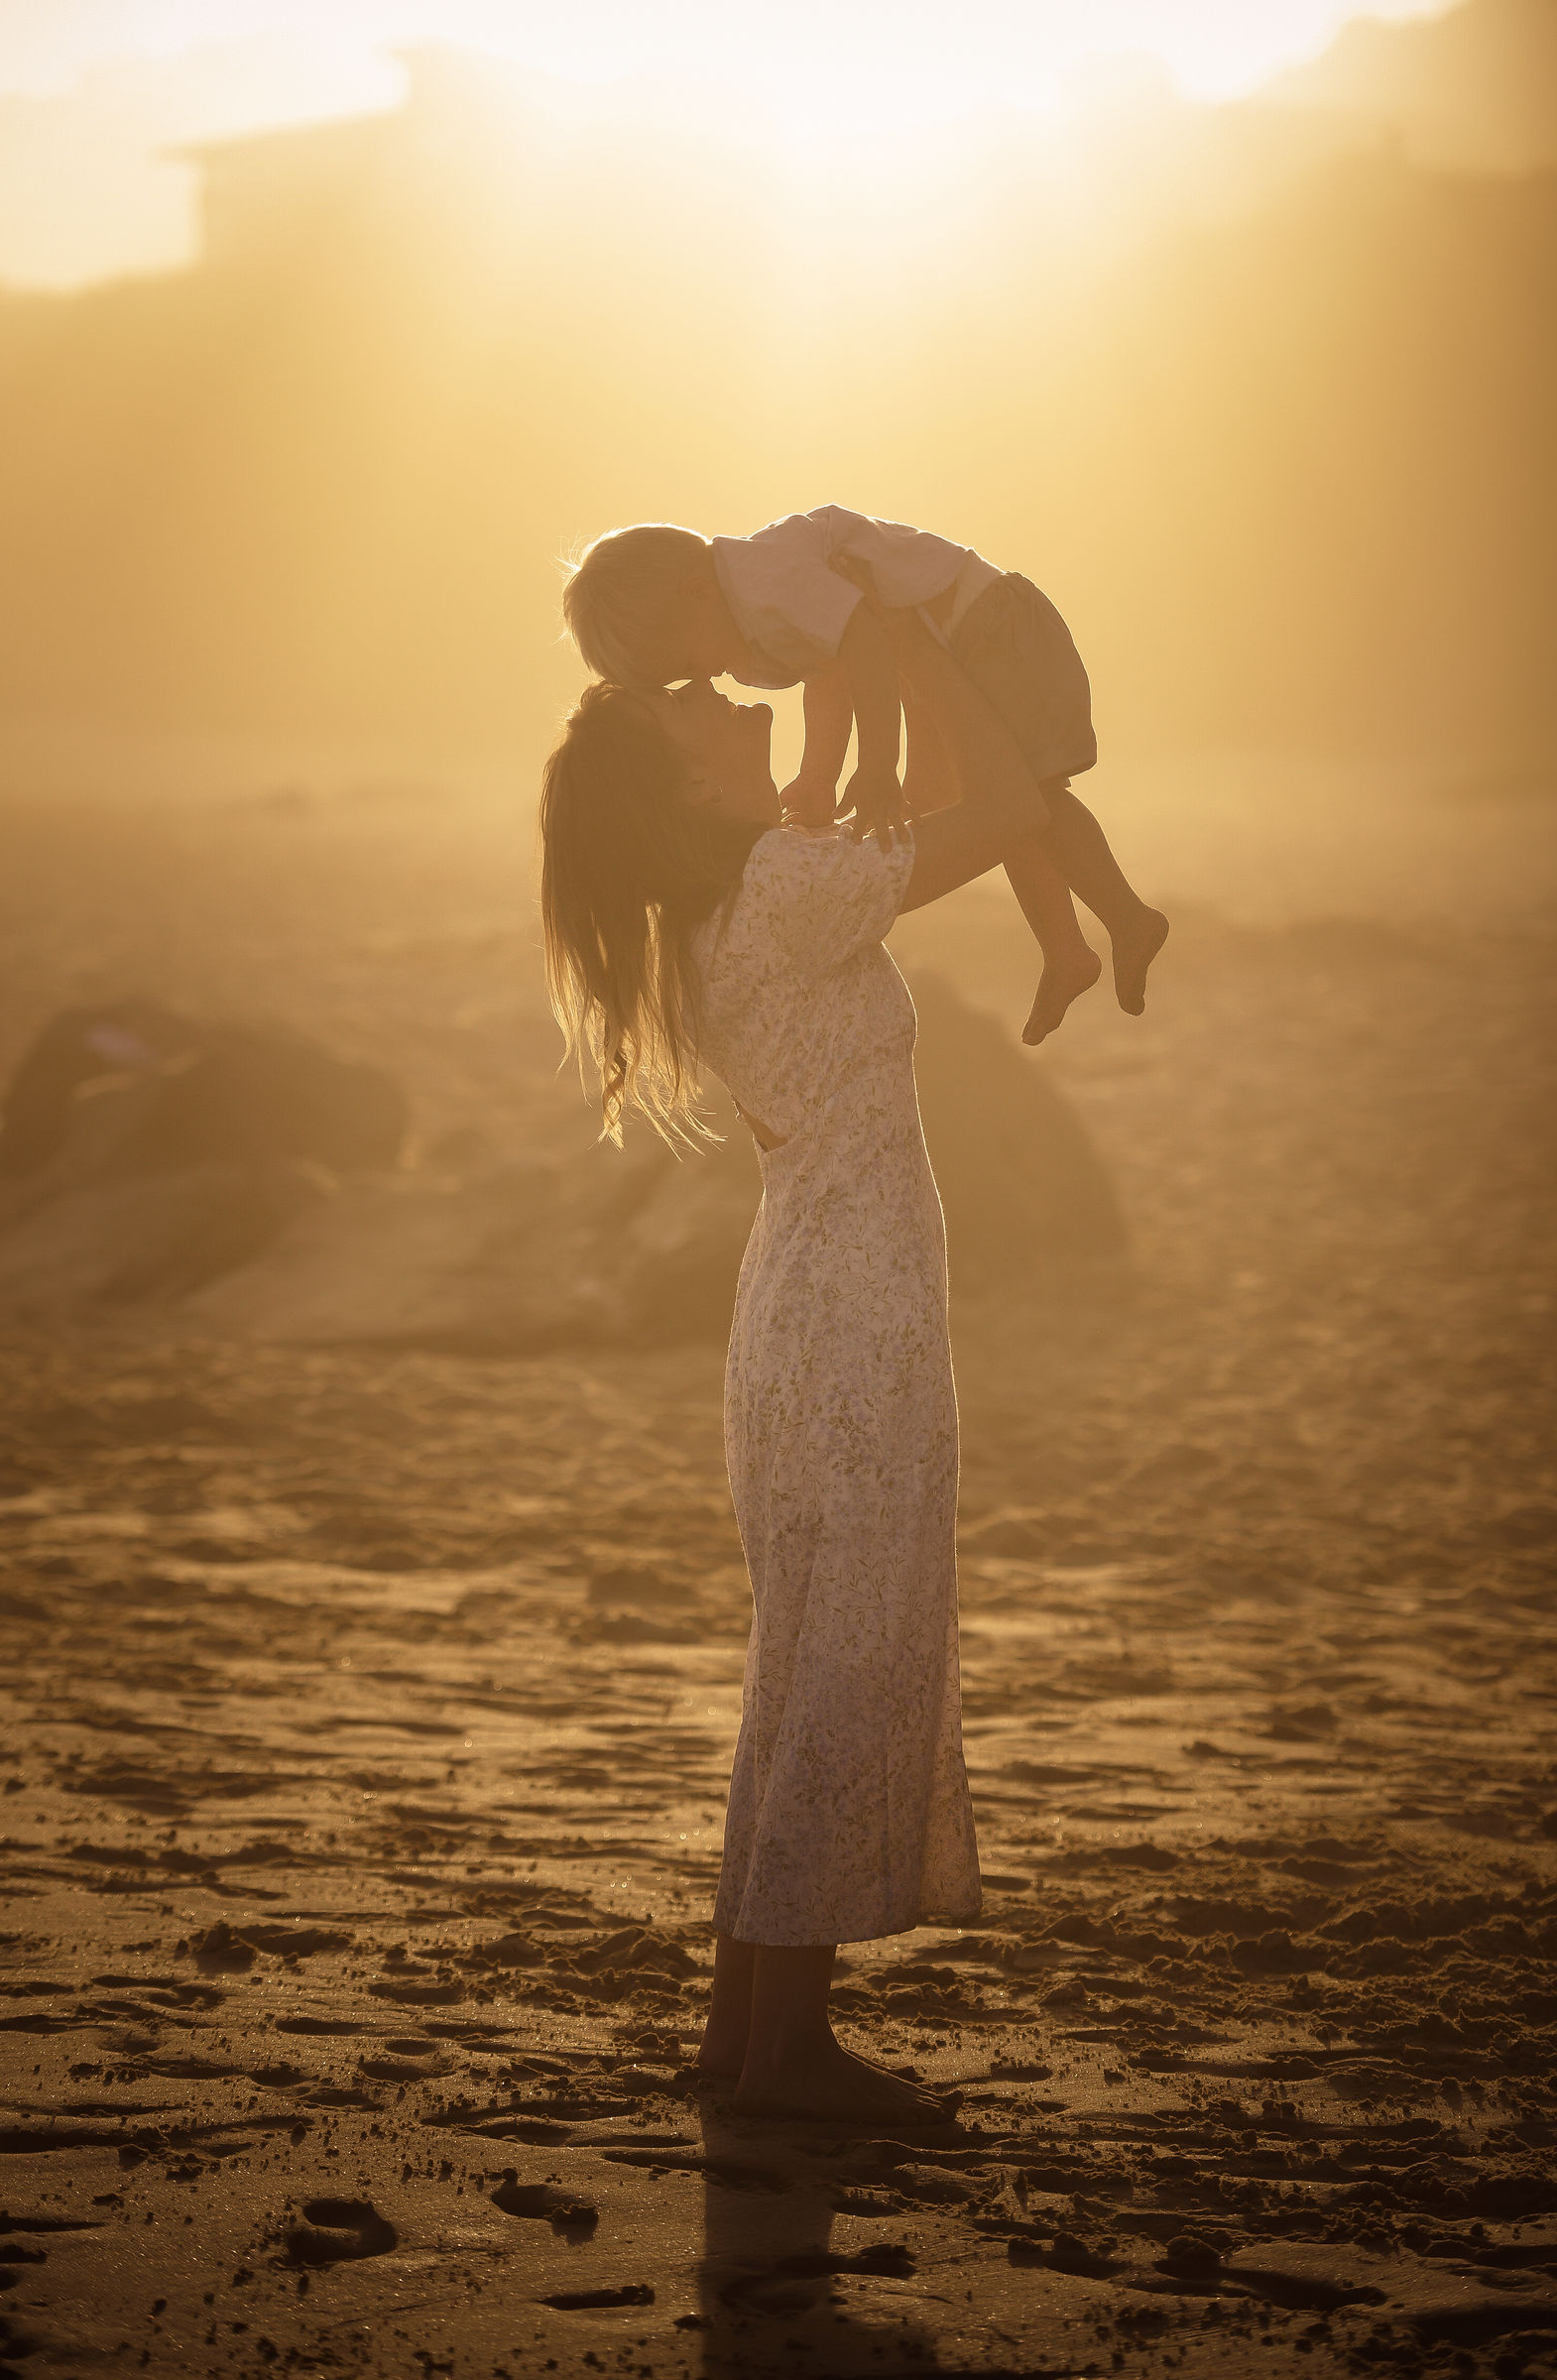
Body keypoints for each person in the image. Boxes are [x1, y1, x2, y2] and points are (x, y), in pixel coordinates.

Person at [539, 604, 1054, 2122]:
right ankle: (791, 2058)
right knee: (841, 1662)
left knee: (803, 1664)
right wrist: (918, 636)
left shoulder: (744, 887)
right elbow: (1008, 805)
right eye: (690, 703)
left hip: (806, 1303)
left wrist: (850, 662)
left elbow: (834, 779)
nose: (712, 686)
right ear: (689, 791)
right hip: (853, 1310)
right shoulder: (776, 889)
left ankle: (742, 2038)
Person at [562, 504, 1169, 1047]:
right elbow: (830, 667)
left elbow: (864, 645)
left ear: (698, 594)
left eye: (688, 665)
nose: (704, 682)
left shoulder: (765, 581)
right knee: (1000, 800)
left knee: (1030, 794)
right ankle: (1066, 948)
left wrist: (878, 765)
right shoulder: (753, 610)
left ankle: (1125, 917)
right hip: (946, 646)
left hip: (984, 625)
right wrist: (820, 773)